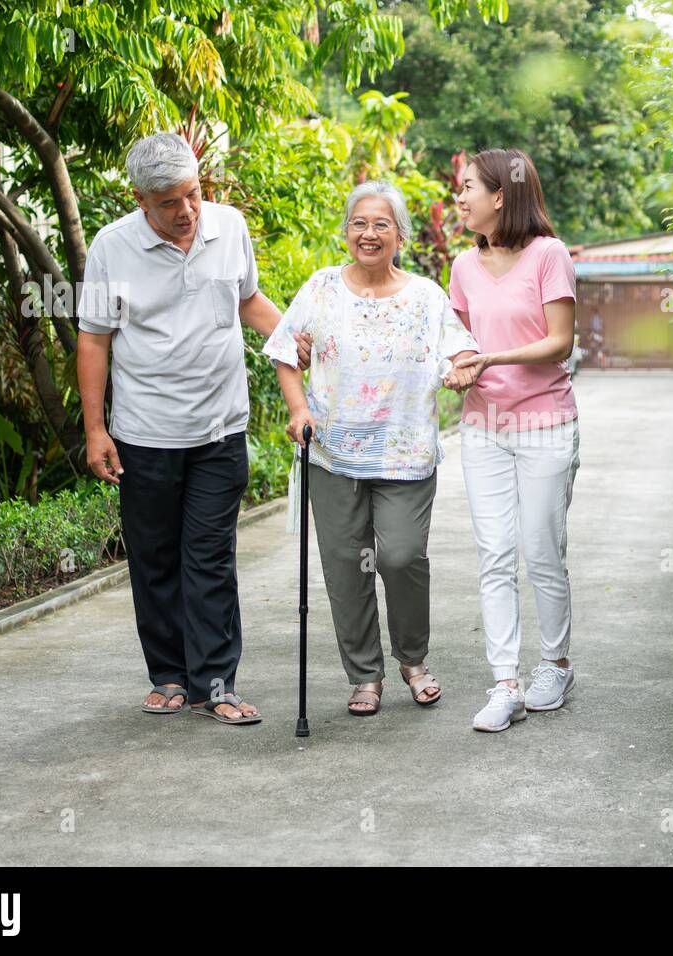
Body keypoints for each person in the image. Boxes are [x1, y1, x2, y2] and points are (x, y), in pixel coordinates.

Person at [77, 132, 306, 726]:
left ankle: (217, 682)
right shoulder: (112, 247)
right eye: (170, 202)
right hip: (144, 434)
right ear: (140, 200)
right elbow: (95, 338)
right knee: (154, 558)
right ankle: (169, 677)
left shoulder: (228, 228)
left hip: (219, 429)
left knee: (210, 557)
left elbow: (248, 301)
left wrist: (294, 340)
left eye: (194, 194)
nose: (187, 212)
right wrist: (96, 430)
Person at [264, 180, 480, 717]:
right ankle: (365, 675)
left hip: (404, 456)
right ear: (345, 231)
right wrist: (298, 409)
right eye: (359, 222)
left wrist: (459, 371)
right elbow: (286, 351)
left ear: (400, 235)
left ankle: (413, 659)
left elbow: (465, 351)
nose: (369, 233)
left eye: (381, 223)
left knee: (401, 556)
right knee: (345, 566)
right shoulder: (321, 288)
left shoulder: (427, 296)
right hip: (333, 455)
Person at [447, 148, 581, 732]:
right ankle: (505, 681)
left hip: (546, 424)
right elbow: (455, 340)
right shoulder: (461, 266)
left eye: (468, 186)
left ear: (501, 195)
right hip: (483, 429)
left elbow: (560, 342)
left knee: (541, 550)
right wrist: (455, 369)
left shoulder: (549, 255)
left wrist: (491, 357)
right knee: (495, 555)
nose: (459, 196)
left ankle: (554, 663)